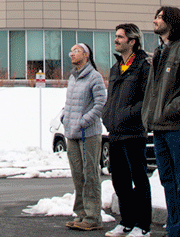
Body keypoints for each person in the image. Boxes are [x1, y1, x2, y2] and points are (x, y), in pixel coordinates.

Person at [141, 6, 180, 237]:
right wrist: (150, 115)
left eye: (160, 17)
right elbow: (153, 92)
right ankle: (175, 229)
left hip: (177, 127)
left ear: (172, 22)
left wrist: (168, 111)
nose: (155, 20)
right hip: (159, 128)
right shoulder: (160, 53)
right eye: (155, 16)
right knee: (168, 181)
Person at [103, 23, 153, 237]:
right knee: (120, 180)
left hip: (133, 132)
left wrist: (127, 115)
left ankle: (143, 226)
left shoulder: (144, 66)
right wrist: (108, 115)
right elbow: (111, 99)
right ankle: (126, 222)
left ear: (132, 41)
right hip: (115, 133)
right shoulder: (116, 68)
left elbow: (146, 99)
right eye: (116, 36)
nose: (116, 40)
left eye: (120, 37)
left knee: (139, 179)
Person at [61, 42, 107, 232]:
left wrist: (84, 120)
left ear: (86, 55)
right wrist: (64, 116)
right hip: (71, 134)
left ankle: (93, 216)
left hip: (89, 134)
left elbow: (101, 102)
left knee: (90, 175)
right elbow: (69, 103)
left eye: (76, 51)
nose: (72, 54)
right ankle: (80, 213)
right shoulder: (73, 78)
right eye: (71, 51)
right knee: (78, 175)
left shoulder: (94, 77)